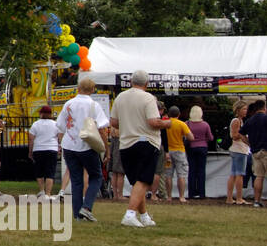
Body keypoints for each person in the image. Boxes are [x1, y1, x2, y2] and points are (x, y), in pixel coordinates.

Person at [110, 70, 171, 228]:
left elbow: (114, 122)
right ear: (147, 83)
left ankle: (143, 216)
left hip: (125, 144)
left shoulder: (120, 97)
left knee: (137, 182)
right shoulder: (148, 98)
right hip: (146, 142)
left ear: (131, 81)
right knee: (144, 180)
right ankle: (130, 214)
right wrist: (166, 123)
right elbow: (153, 122)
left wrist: (129, 123)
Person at [57, 78, 111, 222]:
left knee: (76, 180)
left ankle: (77, 214)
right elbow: (102, 128)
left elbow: (61, 126)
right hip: (87, 145)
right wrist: (106, 148)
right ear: (93, 90)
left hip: (69, 145)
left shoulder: (68, 104)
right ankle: (86, 207)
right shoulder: (94, 105)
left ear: (78, 88)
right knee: (96, 176)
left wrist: (60, 142)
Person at [242, 99, 267, 208]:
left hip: (255, 151)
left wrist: (249, 143)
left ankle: (256, 200)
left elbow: (241, 134)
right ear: (264, 108)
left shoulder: (250, 120)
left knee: (258, 176)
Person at [29, 105, 60, 199]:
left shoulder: (35, 124)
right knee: (50, 172)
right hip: (52, 149)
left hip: (38, 149)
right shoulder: (55, 124)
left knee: (39, 172)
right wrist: (59, 148)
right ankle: (48, 193)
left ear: (41, 113)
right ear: (50, 114)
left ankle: (42, 190)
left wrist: (30, 152)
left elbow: (31, 139)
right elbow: (59, 137)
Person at [163, 105, 192, 203]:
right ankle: (181, 196)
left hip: (168, 151)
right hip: (179, 150)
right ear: (179, 114)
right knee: (181, 174)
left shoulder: (165, 124)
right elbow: (191, 137)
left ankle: (169, 196)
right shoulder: (181, 124)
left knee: (168, 175)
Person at [185, 105, 213, 200]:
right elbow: (211, 138)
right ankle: (201, 193)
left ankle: (191, 193)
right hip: (202, 148)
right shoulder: (205, 124)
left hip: (191, 148)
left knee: (192, 171)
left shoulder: (187, 124)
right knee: (201, 171)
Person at [226, 100, 249, 205]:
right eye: (244, 109)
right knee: (239, 174)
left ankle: (230, 198)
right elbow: (235, 136)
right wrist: (243, 135)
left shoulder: (239, 121)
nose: (246, 111)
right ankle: (239, 198)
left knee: (234, 174)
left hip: (238, 149)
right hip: (239, 149)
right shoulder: (237, 121)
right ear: (238, 110)